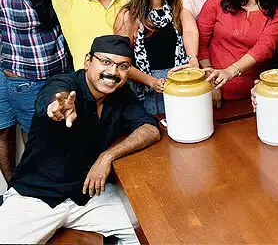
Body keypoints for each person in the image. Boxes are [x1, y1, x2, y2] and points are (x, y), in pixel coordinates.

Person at [0, 35, 160, 244]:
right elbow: (53, 97)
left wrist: (107, 157)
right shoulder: (65, 84)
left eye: (122, 66)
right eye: (106, 62)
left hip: (88, 196)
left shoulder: (121, 93)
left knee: (152, 231)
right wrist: (57, 107)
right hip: (37, 197)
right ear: (87, 61)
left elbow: (150, 129)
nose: (113, 72)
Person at [0, 0, 70, 184]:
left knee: (57, 139)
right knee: (37, 141)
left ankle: (48, 190)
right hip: (24, 81)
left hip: (59, 77)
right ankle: (27, 191)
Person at [114, 0, 199, 115]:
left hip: (178, 84)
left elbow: (190, 31)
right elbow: (120, 61)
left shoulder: (178, 8)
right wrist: (151, 81)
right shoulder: (130, 14)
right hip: (143, 89)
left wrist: (193, 59)